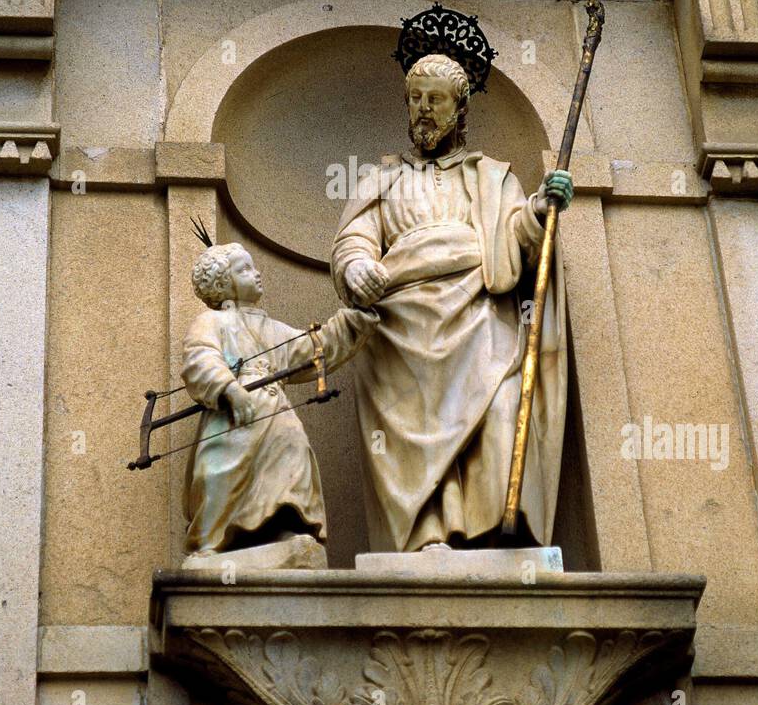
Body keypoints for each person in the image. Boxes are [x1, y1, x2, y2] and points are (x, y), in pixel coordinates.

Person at [330, 52, 573, 553]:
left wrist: (540, 208)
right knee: (412, 432)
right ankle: (426, 537)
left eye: (434, 100)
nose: (422, 109)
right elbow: (353, 241)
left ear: (460, 110)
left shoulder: (492, 178)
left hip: (480, 315)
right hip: (401, 326)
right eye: (414, 99)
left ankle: (492, 531)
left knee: (502, 407)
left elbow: (515, 238)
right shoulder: (383, 178)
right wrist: (356, 268)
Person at [182, 242, 377, 557]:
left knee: (292, 453)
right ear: (222, 283)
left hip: (278, 414)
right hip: (234, 416)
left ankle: (285, 526)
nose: (257, 273)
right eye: (244, 269)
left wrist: (358, 316)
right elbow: (199, 358)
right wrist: (229, 389)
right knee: (219, 472)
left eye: (254, 266)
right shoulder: (212, 322)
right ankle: (211, 539)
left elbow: (317, 347)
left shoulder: (271, 329)